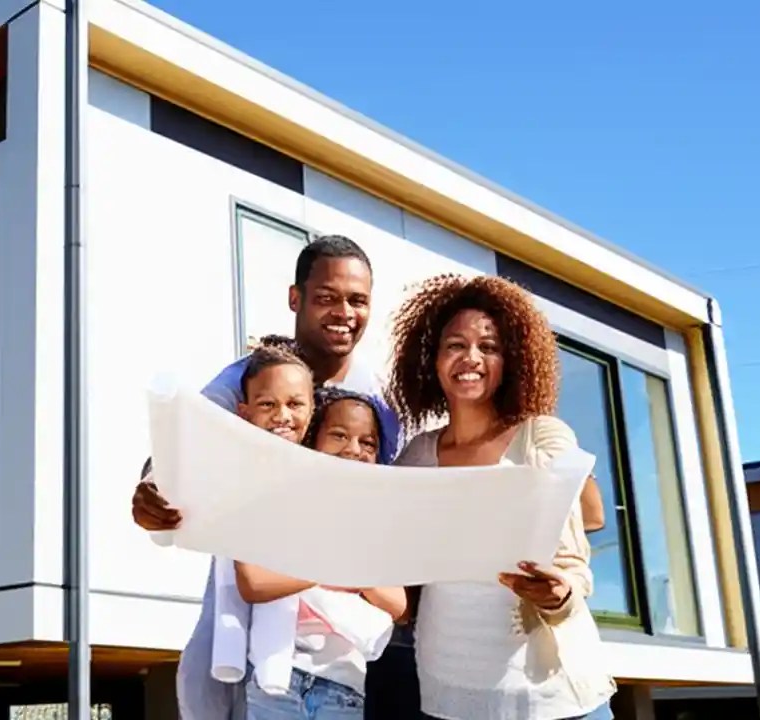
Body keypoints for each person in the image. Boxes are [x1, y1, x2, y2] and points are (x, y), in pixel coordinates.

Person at [133, 234, 402, 719]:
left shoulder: (378, 402)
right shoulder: (247, 377)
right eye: (326, 297)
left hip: (341, 657)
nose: (343, 312)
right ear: (295, 299)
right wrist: (154, 485)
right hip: (248, 625)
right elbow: (185, 436)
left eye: (357, 300)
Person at [385, 274, 616, 720]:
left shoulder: (542, 439)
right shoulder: (415, 457)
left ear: (510, 361)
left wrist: (558, 594)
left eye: (488, 347)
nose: (470, 358)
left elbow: (572, 566)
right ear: (431, 360)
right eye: (455, 345)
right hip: (447, 691)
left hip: (551, 697)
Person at [226, 345, 407, 719]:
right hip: (276, 682)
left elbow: (398, 604)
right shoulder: (274, 496)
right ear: (313, 438)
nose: (354, 449)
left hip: (343, 689)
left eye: (367, 442)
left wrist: (339, 573)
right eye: (339, 435)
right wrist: (335, 569)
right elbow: (253, 582)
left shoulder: (374, 519)